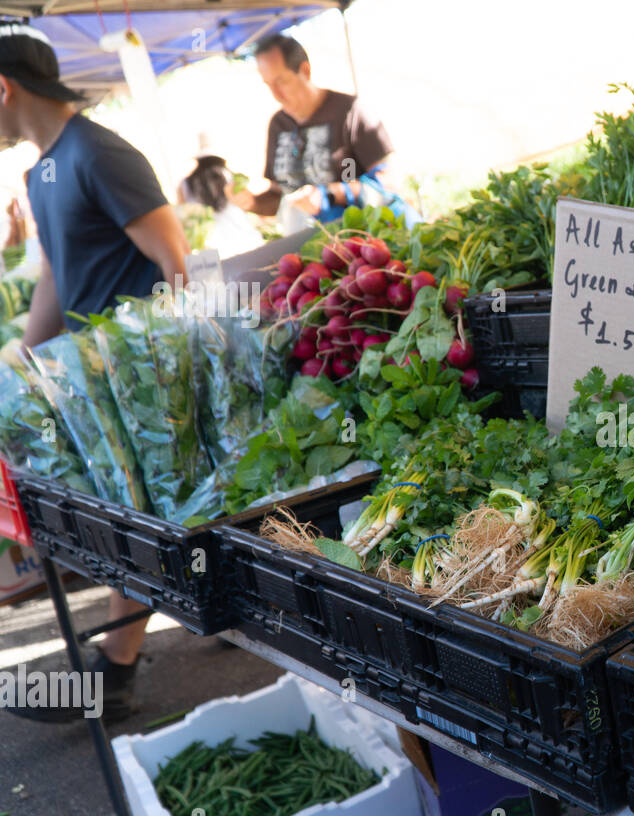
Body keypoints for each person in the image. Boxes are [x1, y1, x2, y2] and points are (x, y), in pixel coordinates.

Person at [0, 22, 190, 723]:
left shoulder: (100, 153)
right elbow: (55, 273)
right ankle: (111, 668)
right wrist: (21, 353)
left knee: (131, 522)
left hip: (140, 382)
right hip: (89, 386)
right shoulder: (40, 170)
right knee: (115, 523)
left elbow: (176, 264)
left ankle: (111, 675)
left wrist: (166, 373)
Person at [232, 33, 394, 225]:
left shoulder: (350, 111)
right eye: (269, 85)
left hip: (358, 239)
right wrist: (252, 203)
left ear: (305, 71)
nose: (276, 94)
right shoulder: (278, 124)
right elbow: (278, 196)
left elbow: (388, 183)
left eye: (281, 81)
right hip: (303, 246)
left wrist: (330, 194)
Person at [178, 148, 263, 256]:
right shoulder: (230, 176)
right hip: (245, 238)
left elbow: (183, 215)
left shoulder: (185, 184)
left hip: (213, 246)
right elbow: (248, 203)